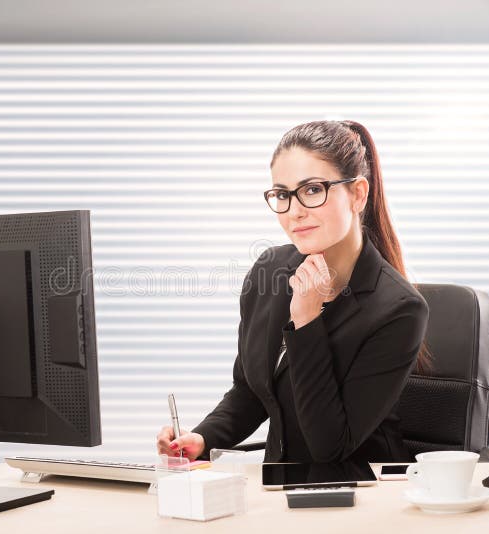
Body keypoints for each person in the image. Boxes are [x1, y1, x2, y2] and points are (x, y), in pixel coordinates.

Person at [156, 120, 431, 463]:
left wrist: (307, 321)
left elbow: (330, 447)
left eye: (313, 189)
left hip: (359, 492)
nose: (295, 211)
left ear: (358, 194)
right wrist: (202, 437)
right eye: (283, 194)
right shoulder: (270, 271)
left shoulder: (398, 309)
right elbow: (251, 392)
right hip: (278, 489)